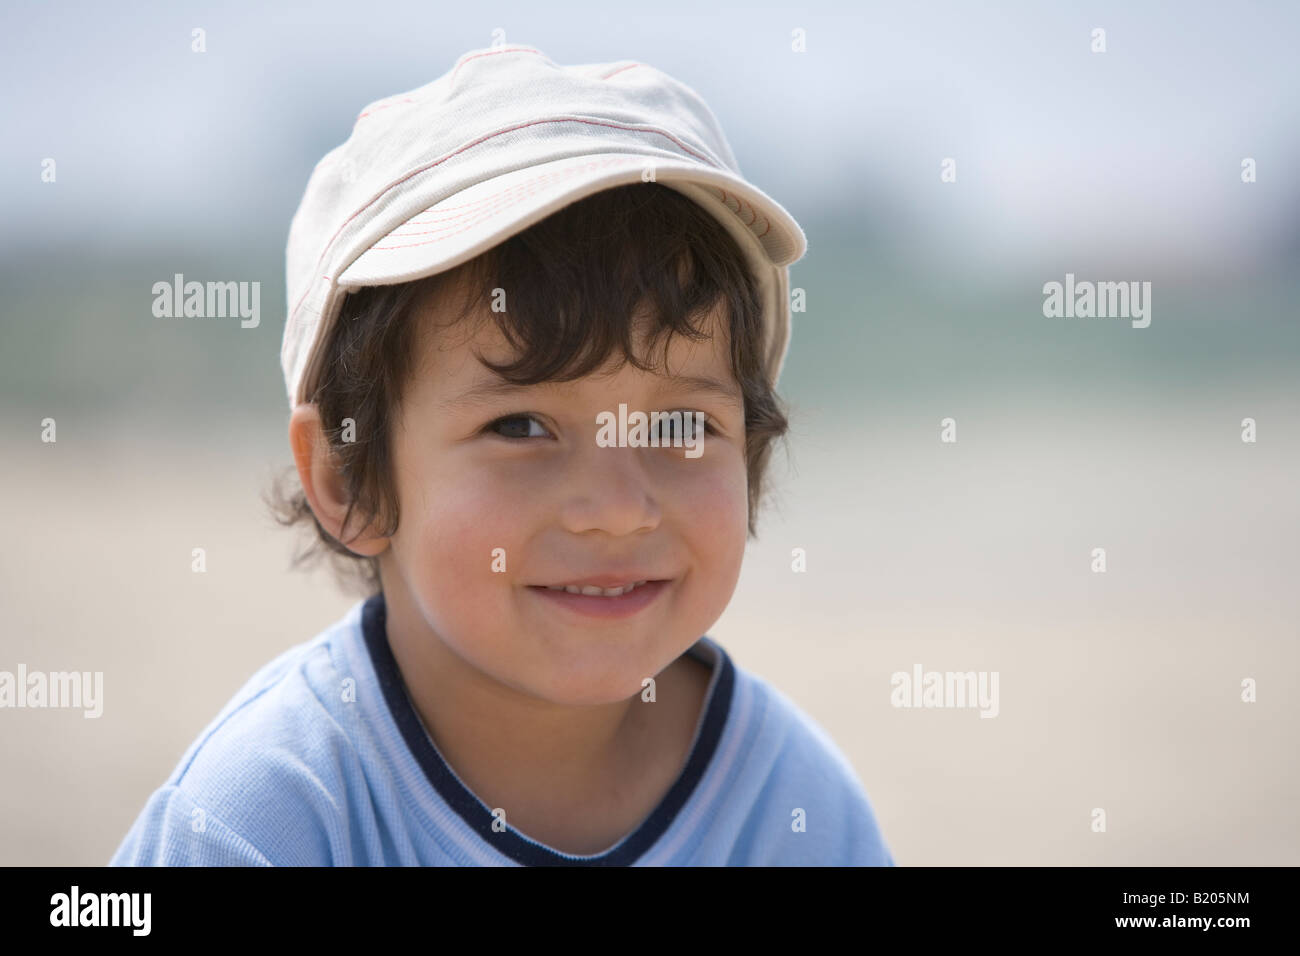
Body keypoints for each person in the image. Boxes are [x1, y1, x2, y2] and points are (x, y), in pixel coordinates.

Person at [109, 43, 894, 866]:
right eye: (522, 427)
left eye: (677, 428)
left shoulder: (796, 810)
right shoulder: (264, 817)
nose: (620, 506)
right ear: (348, 476)